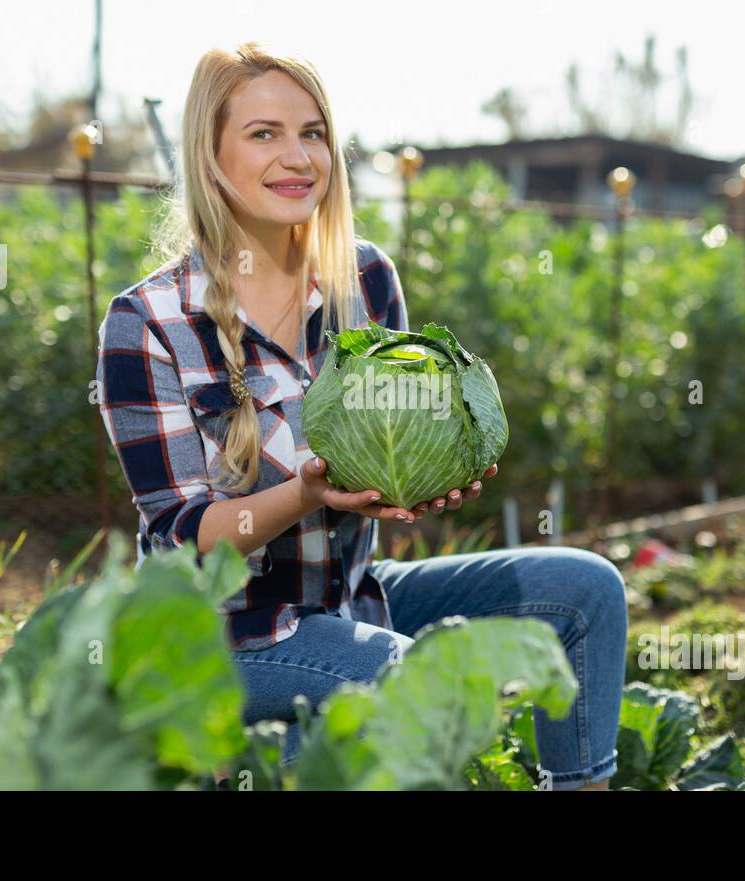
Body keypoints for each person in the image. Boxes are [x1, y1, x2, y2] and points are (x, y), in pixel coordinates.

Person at [95, 41, 627, 791]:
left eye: (313, 132)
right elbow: (187, 543)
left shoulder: (365, 279)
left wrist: (425, 475)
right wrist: (308, 492)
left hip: (351, 601)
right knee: (414, 684)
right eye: (264, 134)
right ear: (210, 156)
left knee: (585, 592)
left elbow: (390, 441)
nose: (298, 156)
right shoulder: (147, 322)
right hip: (217, 642)